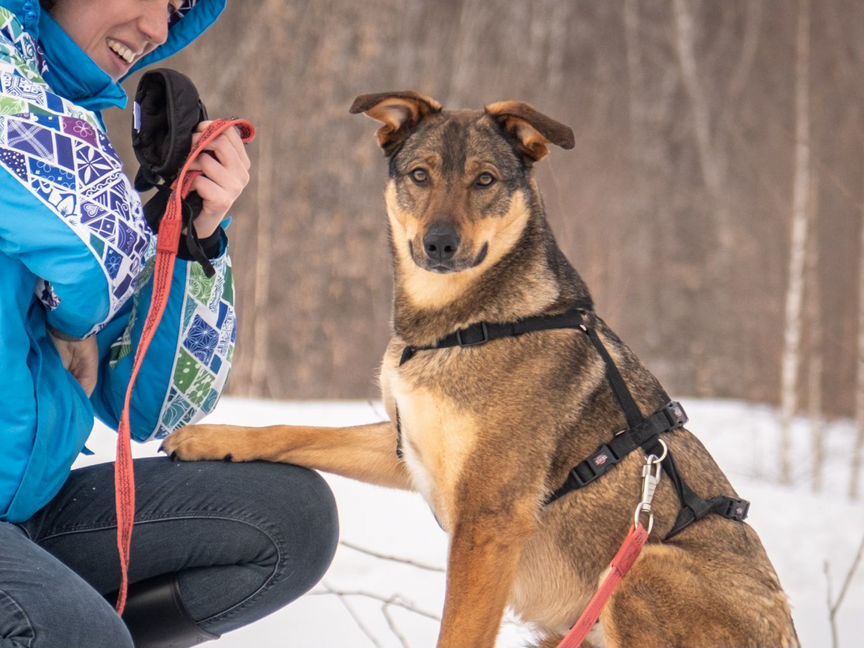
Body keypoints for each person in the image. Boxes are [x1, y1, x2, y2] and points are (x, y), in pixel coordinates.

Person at [0, 1, 338, 647]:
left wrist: (190, 233)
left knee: (285, 521)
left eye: (178, 7)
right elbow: (92, 257)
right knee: (73, 633)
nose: (159, 29)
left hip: (24, 509)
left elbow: (155, 406)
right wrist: (79, 318)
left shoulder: (74, 128)